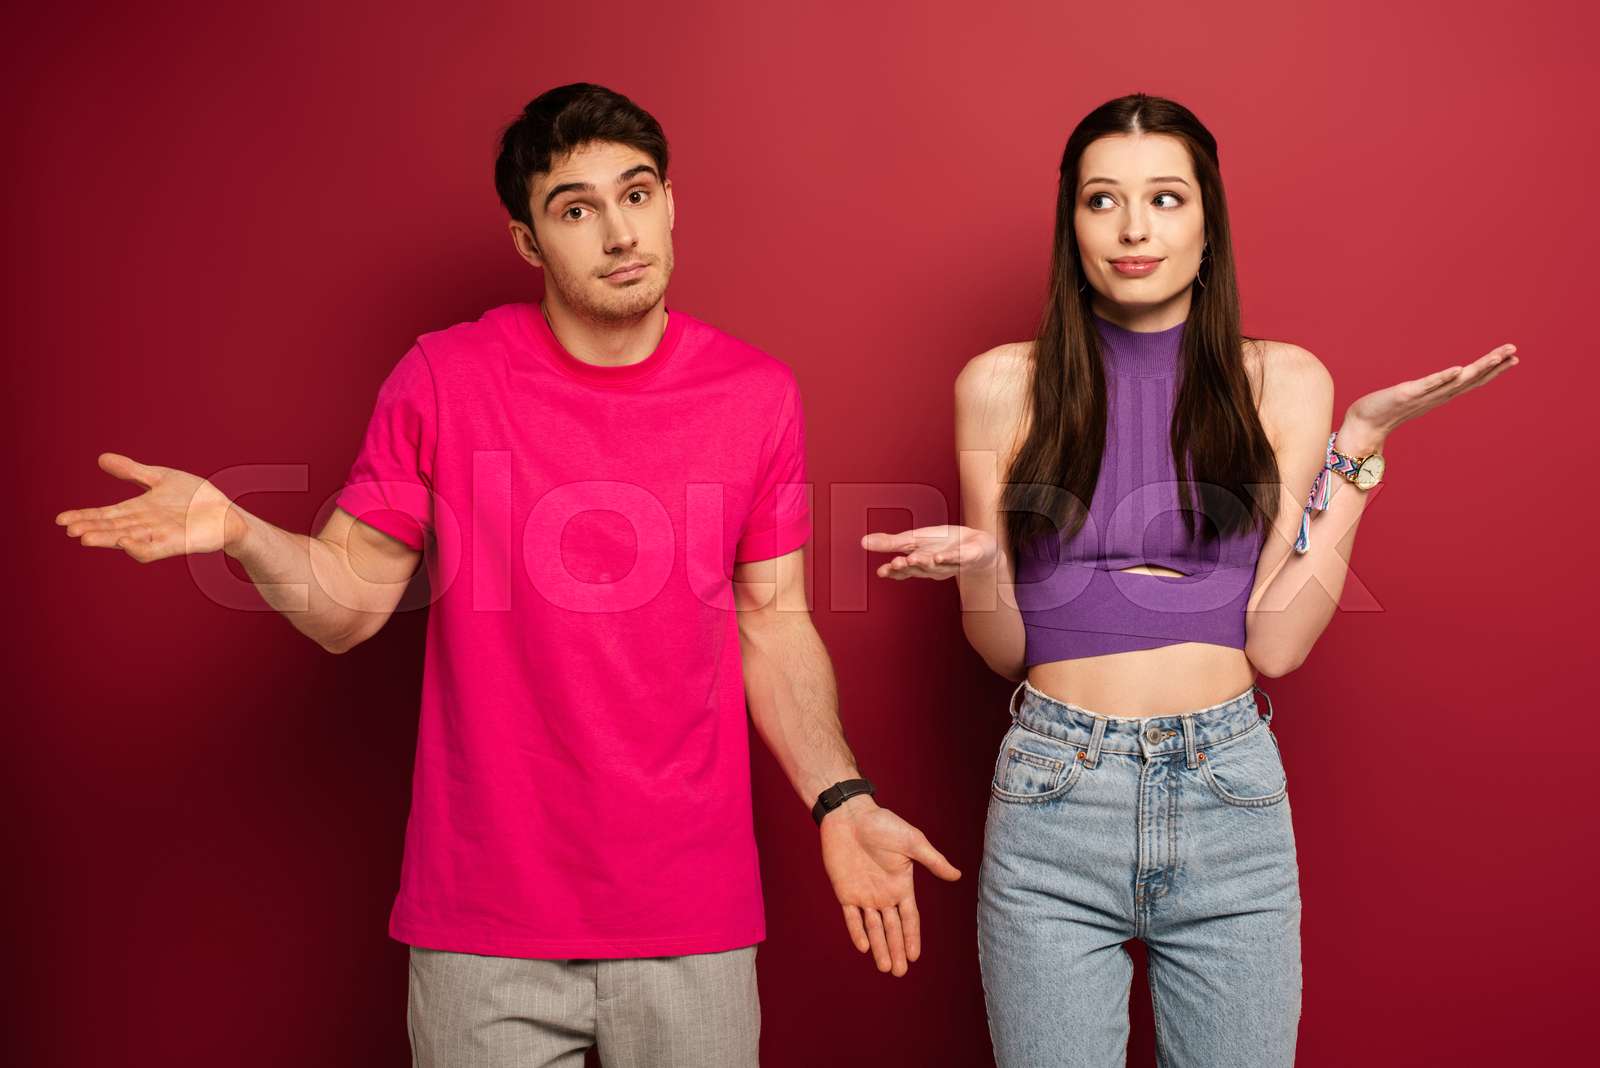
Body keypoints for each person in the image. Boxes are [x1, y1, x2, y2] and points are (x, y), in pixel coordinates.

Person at [55, 82, 961, 1068]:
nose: (618, 232)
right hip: (482, 931)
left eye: (638, 193)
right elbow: (347, 607)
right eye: (575, 209)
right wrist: (239, 531)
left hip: (689, 921)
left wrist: (841, 797)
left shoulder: (755, 394)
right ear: (529, 240)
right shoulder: (443, 378)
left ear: (668, 202)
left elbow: (773, 622)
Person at [862, 92, 1519, 1067]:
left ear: (1207, 221)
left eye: (1165, 198)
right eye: (1102, 200)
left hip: (1229, 798)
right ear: (1071, 226)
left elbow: (1276, 643)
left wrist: (1361, 450)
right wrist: (994, 564)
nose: (1133, 227)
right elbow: (1002, 648)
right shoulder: (1000, 384)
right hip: (1053, 794)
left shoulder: (1286, 382)